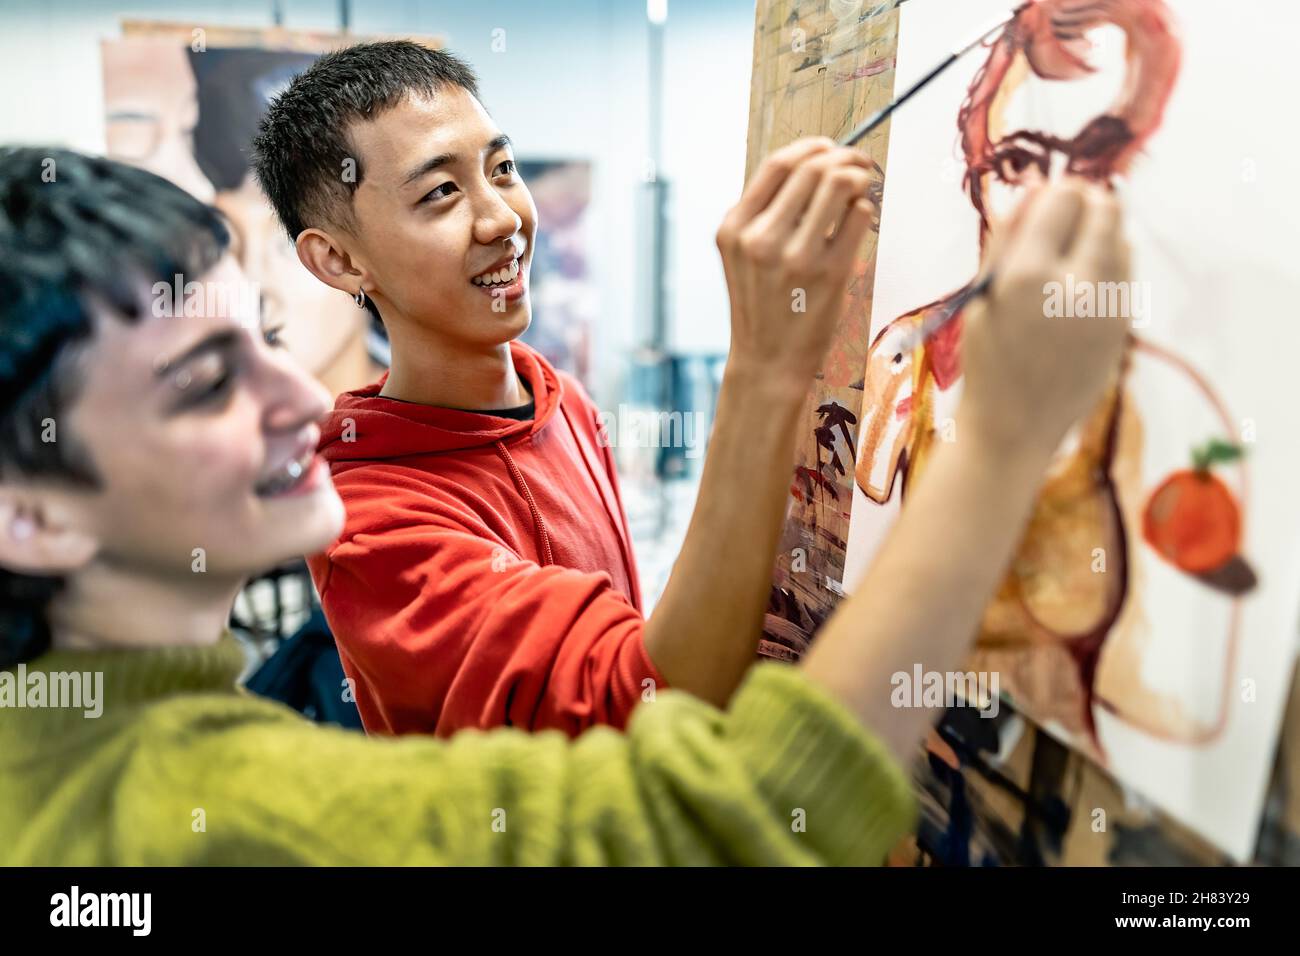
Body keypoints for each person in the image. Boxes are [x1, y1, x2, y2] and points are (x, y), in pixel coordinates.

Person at [0, 146, 1127, 865]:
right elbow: (716, 806)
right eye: (204, 382)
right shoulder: (207, 801)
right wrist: (998, 435)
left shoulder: (555, 397)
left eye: (265, 338)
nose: (298, 395)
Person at [250, 41, 890, 736]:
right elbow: (644, 704)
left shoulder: (562, 402)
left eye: (502, 169)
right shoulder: (371, 526)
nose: (502, 219)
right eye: (440, 193)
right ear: (339, 259)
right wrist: (763, 370)